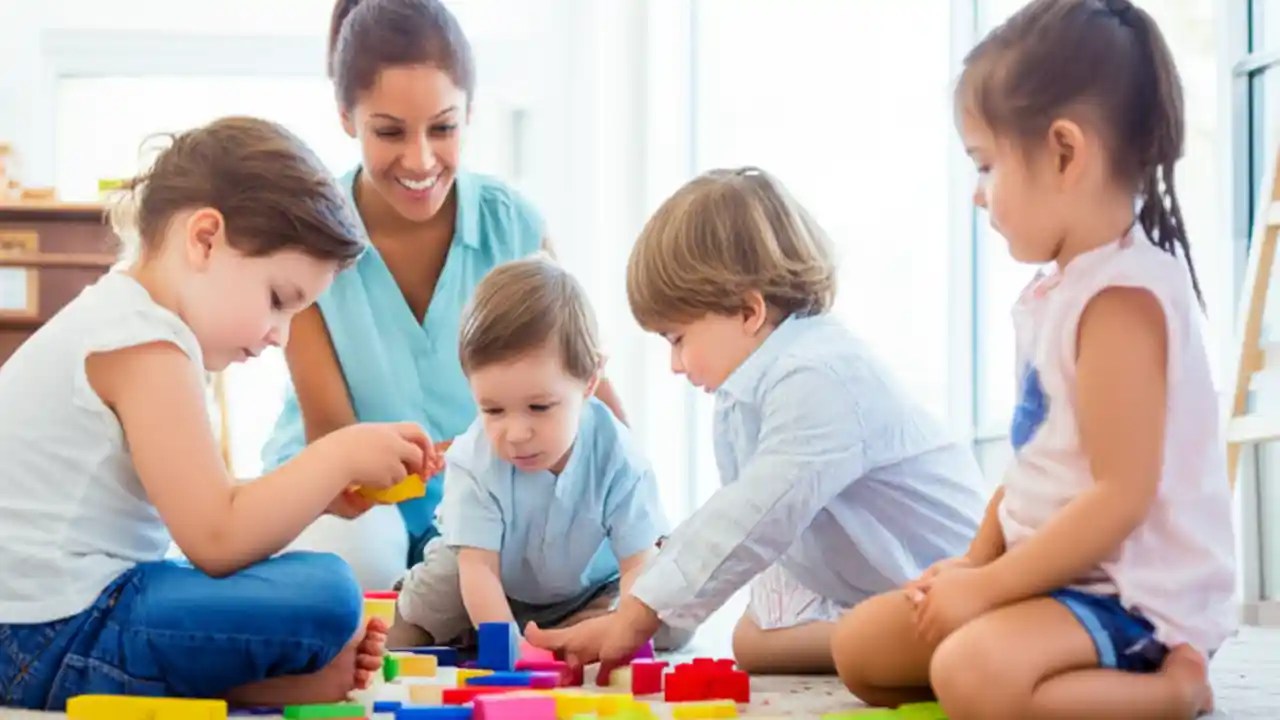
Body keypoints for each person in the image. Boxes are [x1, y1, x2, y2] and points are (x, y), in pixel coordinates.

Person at [829, 2, 1236, 718]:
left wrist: (987, 592)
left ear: (1065, 153)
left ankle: (1172, 692)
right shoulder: (1058, 292)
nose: (979, 193)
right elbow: (1035, 471)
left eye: (985, 164)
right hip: (1054, 582)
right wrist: (975, 563)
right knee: (860, 647)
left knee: (968, 674)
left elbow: (1120, 496)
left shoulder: (1122, 301)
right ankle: (1030, 665)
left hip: (1132, 599)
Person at [0, 117, 443, 710]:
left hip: (48, 626)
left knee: (298, 582)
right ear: (205, 239)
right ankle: (260, 680)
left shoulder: (126, 320)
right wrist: (336, 456)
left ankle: (259, 681)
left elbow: (205, 507)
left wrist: (315, 489)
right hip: (47, 634)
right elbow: (217, 536)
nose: (280, 336)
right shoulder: (146, 347)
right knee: (330, 591)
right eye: (277, 300)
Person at [527, 167, 987, 677]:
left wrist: (635, 618)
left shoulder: (819, 374)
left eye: (678, 339)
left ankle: (921, 636)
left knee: (858, 640)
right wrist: (645, 592)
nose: (675, 365)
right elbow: (742, 515)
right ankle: (880, 630)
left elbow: (751, 516)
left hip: (944, 578)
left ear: (749, 311)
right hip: (858, 574)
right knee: (754, 640)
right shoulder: (744, 391)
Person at [261, 0, 627, 579]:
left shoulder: (512, 226)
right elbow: (331, 436)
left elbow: (585, 390)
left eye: (443, 127)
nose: (421, 159)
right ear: (345, 117)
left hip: (490, 484)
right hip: (352, 497)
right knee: (355, 561)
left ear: (470, 113)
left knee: (583, 558)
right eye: (389, 131)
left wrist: (630, 505)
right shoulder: (309, 237)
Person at [388, 257, 689, 651]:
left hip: (591, 586)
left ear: (589, 381)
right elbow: (478, 569)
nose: (515, 434)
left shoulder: (619, 455)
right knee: (433, 597)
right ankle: (487, 629)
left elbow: (636, 561)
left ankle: (579, 626)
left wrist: (627, 629)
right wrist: (511, 650)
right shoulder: (474, 457)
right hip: (487, 581)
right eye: (493, 410)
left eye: (540, 407)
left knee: (670, 618)